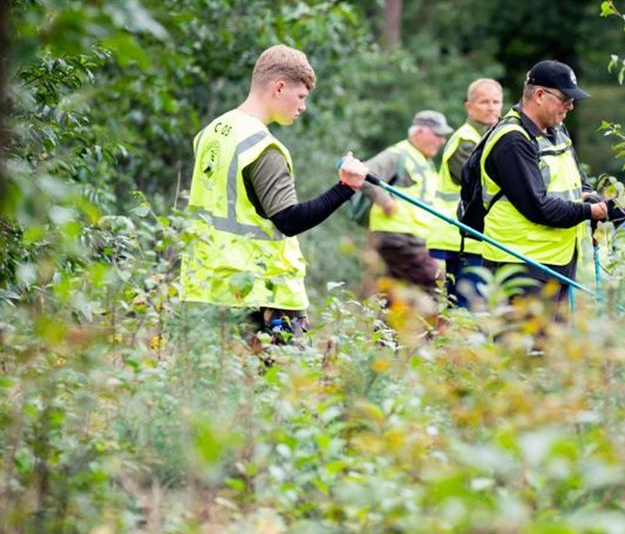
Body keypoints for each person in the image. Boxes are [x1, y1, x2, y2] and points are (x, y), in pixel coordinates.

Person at [179, 44, 368, 344]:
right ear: (279, 88)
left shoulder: (211, 132)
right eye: (301, 96)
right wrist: (346, 188)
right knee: (279, 388)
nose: (303, 107)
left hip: (206, 288)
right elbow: (289, 220)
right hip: (260, 294)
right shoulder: (262, 147)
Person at [475, 60, 614, 310]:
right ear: (540, 95)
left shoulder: (558, 132)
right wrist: (588, 212)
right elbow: (538, 207)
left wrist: (595, 200)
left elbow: (577, 182)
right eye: (566, 99)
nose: (571, 107)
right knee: (524, 349)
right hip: (519, 266)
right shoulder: (512, 141)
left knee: (554, 348)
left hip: (555, 264)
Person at [361, 110, 452, 308]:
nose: (442, 140)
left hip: (412, 238)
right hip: (398, 237)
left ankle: (389, 337)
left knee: (393, 297)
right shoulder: (397, 154)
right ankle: (428, 337)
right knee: (436, 283)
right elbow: (363, 173)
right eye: (437, 135)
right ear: (418, 132)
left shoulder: (425, 162)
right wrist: (384, 201)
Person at [426, 78, 503, 310]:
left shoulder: (491, 138)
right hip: (457, 241)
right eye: (484, 102)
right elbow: (487, 186)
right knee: (468, 313)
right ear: (468, 106)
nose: (491, 107)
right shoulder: (465, 141)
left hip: (472, 241)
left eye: (496, 101)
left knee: (465, 312)